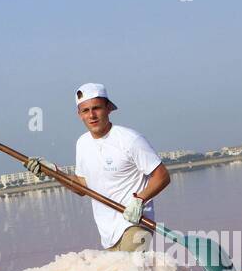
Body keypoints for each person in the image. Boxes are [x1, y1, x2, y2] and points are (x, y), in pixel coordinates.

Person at [26, 83, 171, 253]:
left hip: (136, 224)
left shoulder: (130, 139)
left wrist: (140, 200)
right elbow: (82, 187)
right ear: (79, 115)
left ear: (108, 108)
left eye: (96, 108)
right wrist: (53, 172)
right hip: (107, 234)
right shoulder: (82, 143)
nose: (92, 115)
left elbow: (162, 176)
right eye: (85, 110)